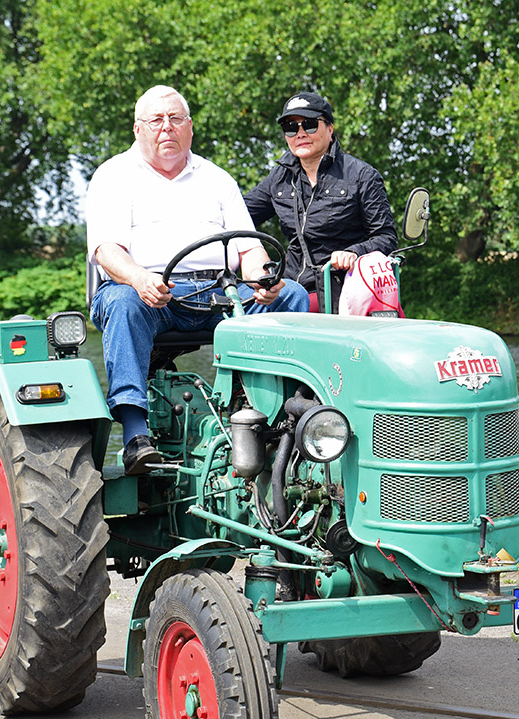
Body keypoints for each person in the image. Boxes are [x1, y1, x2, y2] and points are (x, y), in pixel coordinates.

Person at [86, 85, 309, 475]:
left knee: (289, 295)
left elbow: (248, 248)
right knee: (123, 303)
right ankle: (136, 435)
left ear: (189, 128)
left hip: (217, 292)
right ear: (138, 129)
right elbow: (107, 251)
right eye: (156, 120)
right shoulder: (113, 176)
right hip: (149, 294)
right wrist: (140, 279)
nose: (166, 128)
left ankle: (279, 417)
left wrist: (261, 277)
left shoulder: (216, 178)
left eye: (175, 119)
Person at [244, 91, 398, 312]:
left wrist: (354, 252)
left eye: (309, 124)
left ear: (330, 128)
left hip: (342, 292)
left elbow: (387, 238)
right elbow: (238, 217)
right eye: (290, 127)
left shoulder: (361, 175)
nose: (300, 133)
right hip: (290, 289)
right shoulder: (279, 178)